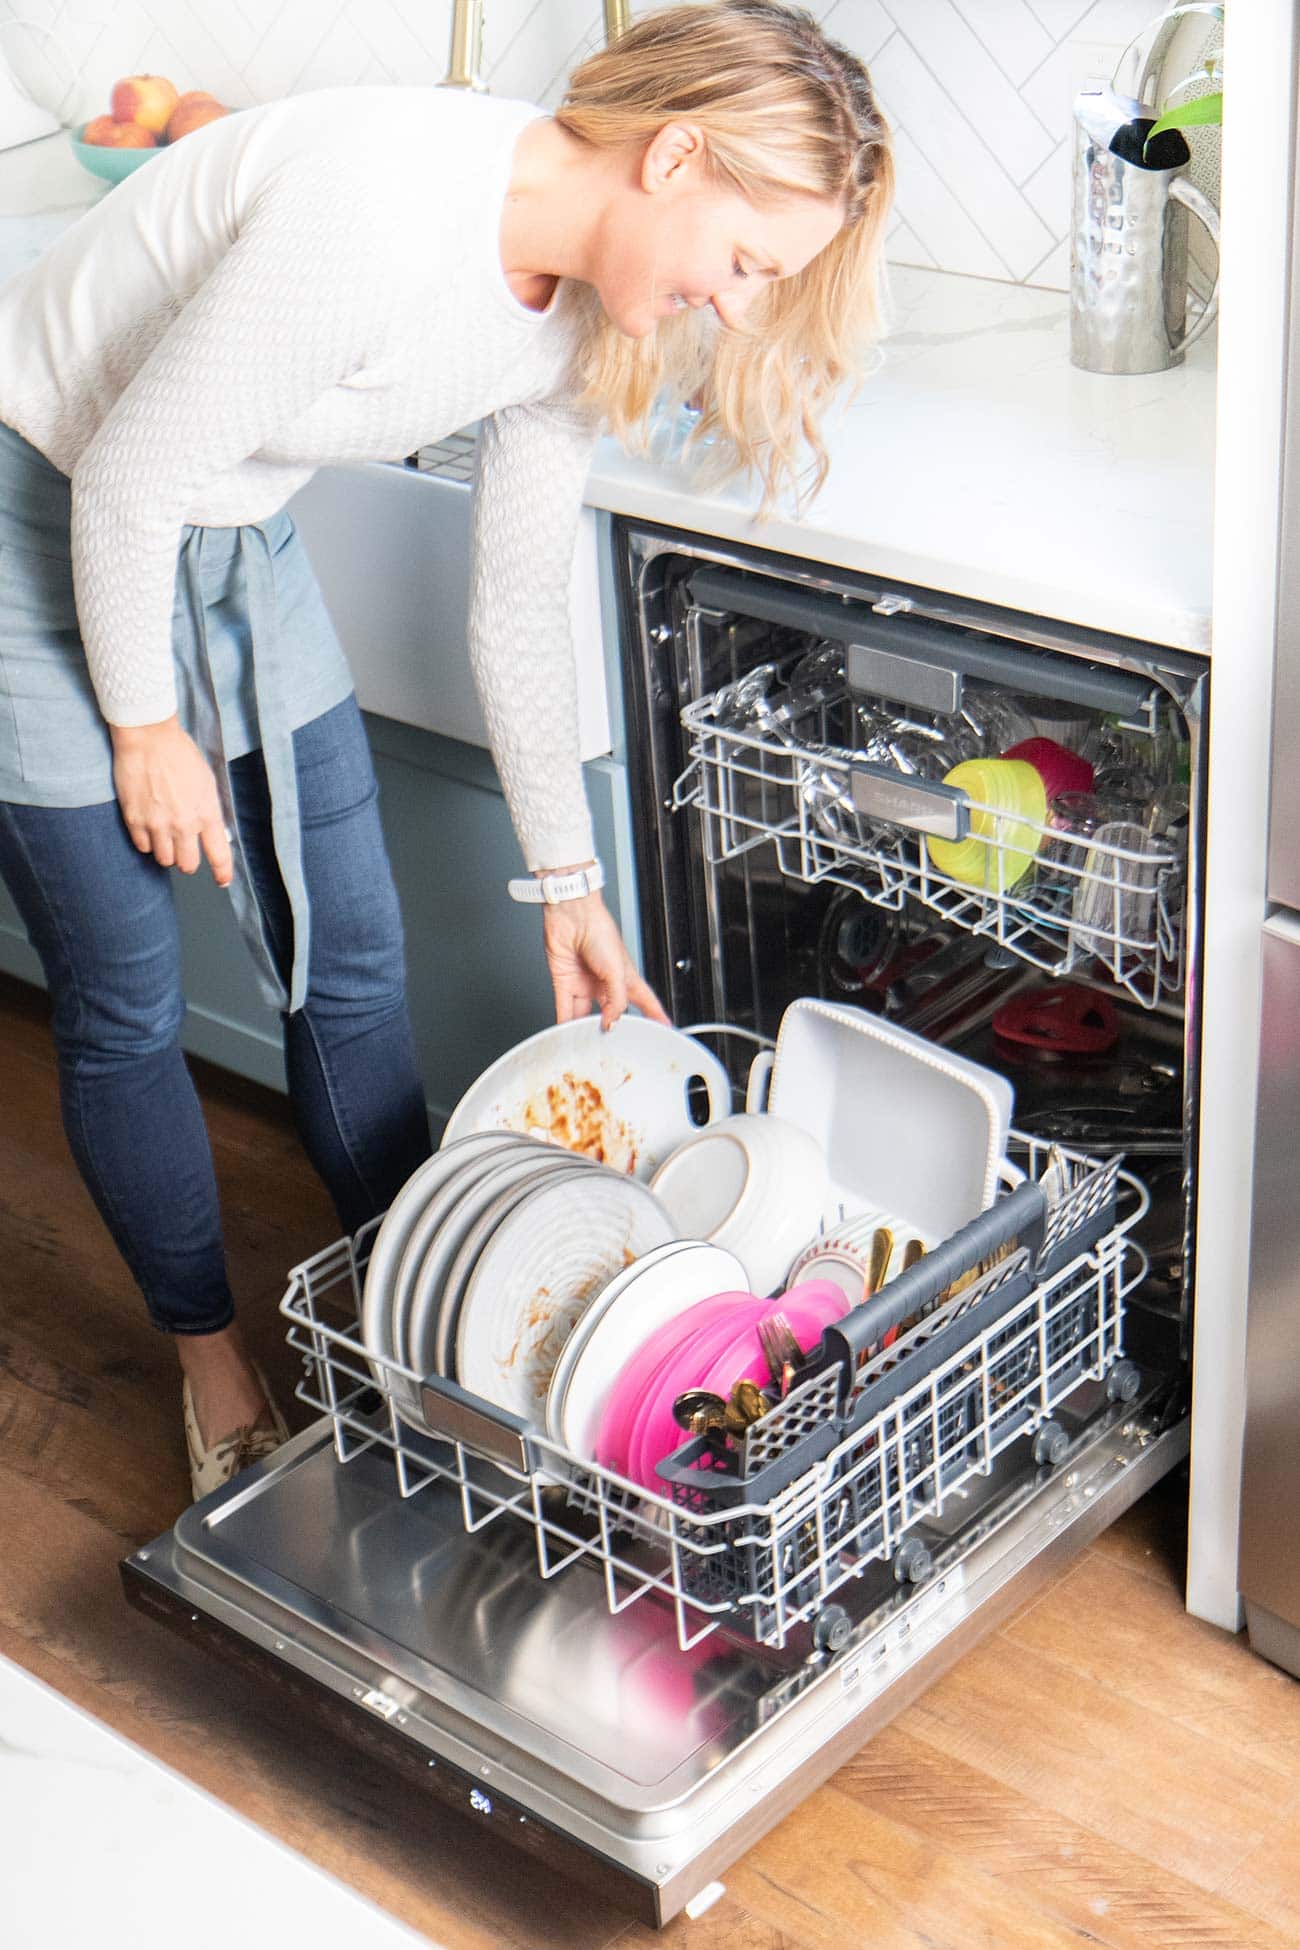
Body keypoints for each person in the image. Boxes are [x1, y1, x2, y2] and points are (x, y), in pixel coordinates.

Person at [0, 0, 893, 1499]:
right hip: (42, 490)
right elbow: (130, 472)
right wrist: (144, 726)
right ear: (674, 159)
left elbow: (519, 599)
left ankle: (415, 1330)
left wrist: (570, 883)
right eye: (745, 264)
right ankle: (210, 1356)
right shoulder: (381, 210)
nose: (737, 307)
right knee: (127, 991)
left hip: (218, 513)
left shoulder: (591, 312)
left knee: (348, 950)